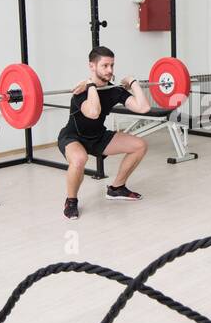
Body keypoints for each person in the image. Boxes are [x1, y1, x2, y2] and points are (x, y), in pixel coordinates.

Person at [58, 46, 153, 219]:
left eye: (112, 65)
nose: (110, 70)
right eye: (105, 66)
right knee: (79, 159)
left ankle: (117, 188)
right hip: (73, 137)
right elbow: (93, 112)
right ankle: (71, 201)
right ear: (92, 66)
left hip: (98, 136)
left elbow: (144, 107)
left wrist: (133, 82)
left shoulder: (114, 90)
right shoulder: (81, 91)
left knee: (140, 145)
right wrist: (91, 85)